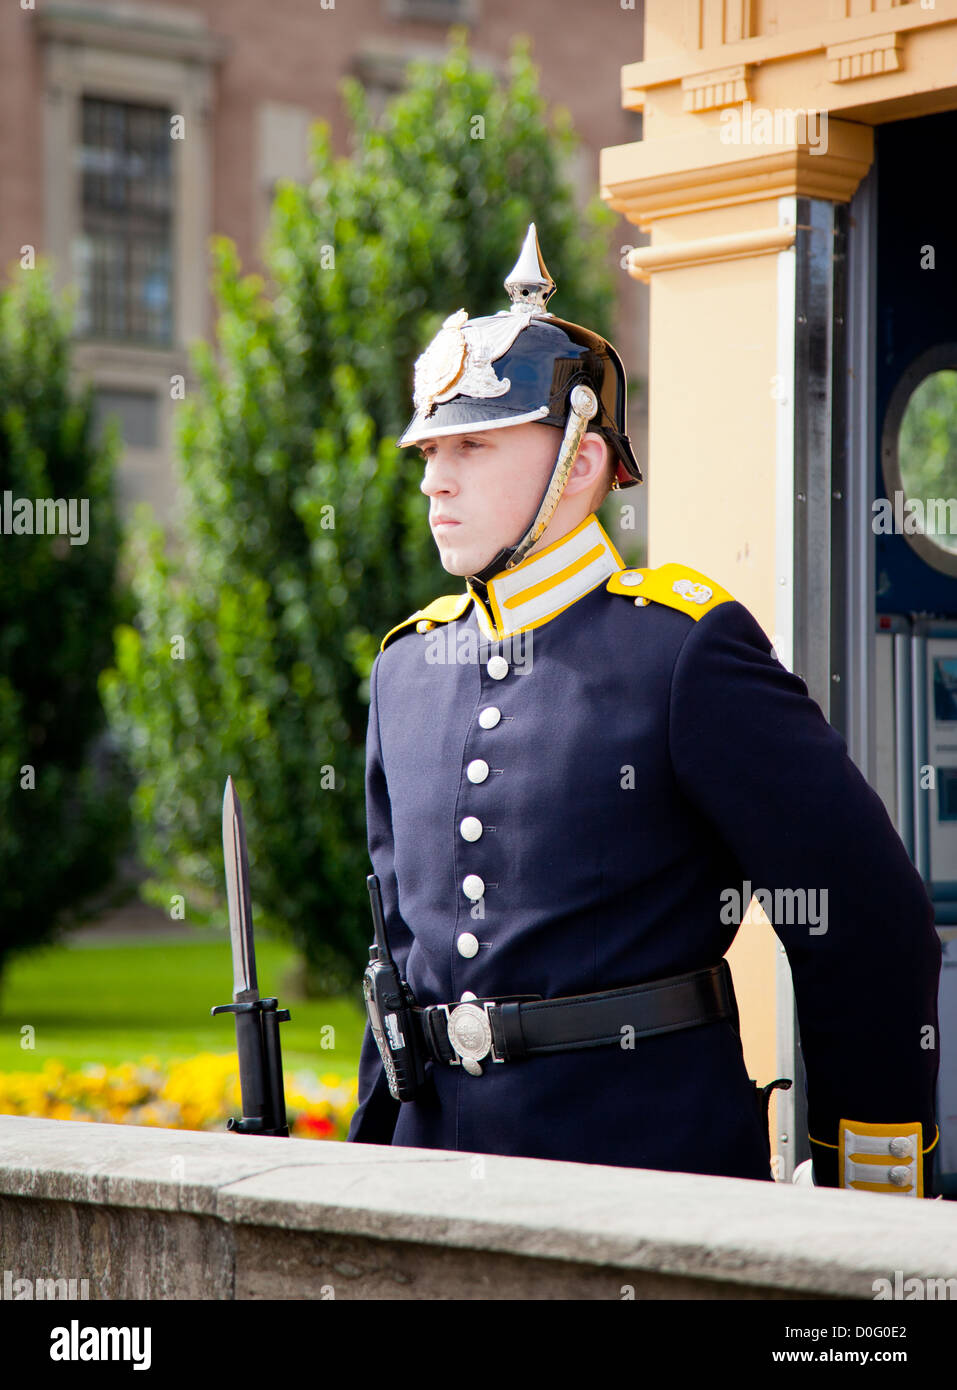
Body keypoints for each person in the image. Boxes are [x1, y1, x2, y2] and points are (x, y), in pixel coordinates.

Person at [346, 224, 942, 1195]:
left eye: (473, 446)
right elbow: (395, 958)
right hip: (431, 1172)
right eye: (429, 449)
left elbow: (867, 922)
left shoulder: (683, 648)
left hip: (645, 1172)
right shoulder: (407, 666)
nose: (434, 479)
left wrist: (866, 1196)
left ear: (580, 466)